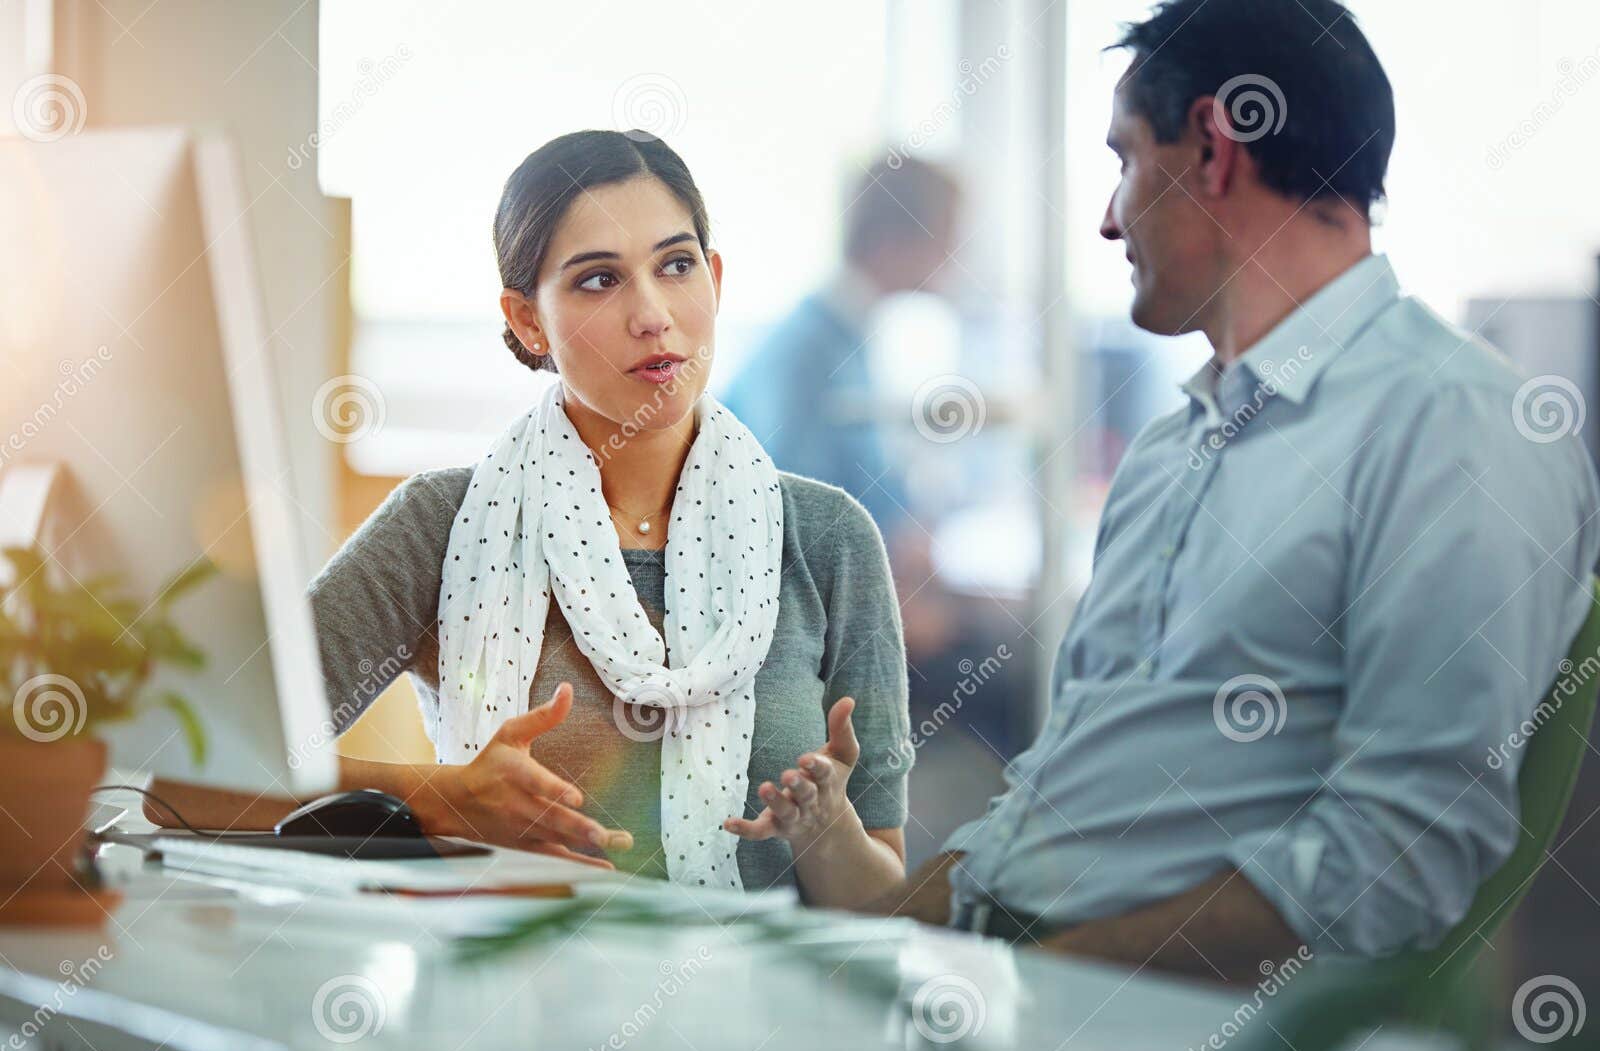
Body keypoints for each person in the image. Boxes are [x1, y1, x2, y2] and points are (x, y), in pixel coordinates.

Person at [865, 0, 1600, 980]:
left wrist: (1035, 986)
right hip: (1017, 977)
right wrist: (871, 938)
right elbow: (1055, 799)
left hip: (1164, 1030)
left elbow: (1398, 858)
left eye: (1124, 158)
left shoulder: (1452, 424)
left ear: (1215, 148)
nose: (1107, 216)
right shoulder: (1174, 448)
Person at [308, 130, 912, 907]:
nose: (654, 314)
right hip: (509, 1009)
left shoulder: (829, 538)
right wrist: (440, 793)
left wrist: (829, 828)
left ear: (716, 280)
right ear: (528, 321)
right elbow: (192, 774)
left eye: (676, 265)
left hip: (763, 1018)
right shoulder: (442, 523)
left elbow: (888, 900)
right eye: (599, 280)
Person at [718, 156, 960, 541]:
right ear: (893, 240)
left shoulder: (843, 337)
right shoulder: (808, 351)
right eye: (947, 236)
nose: (955, 254)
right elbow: (794, 510)